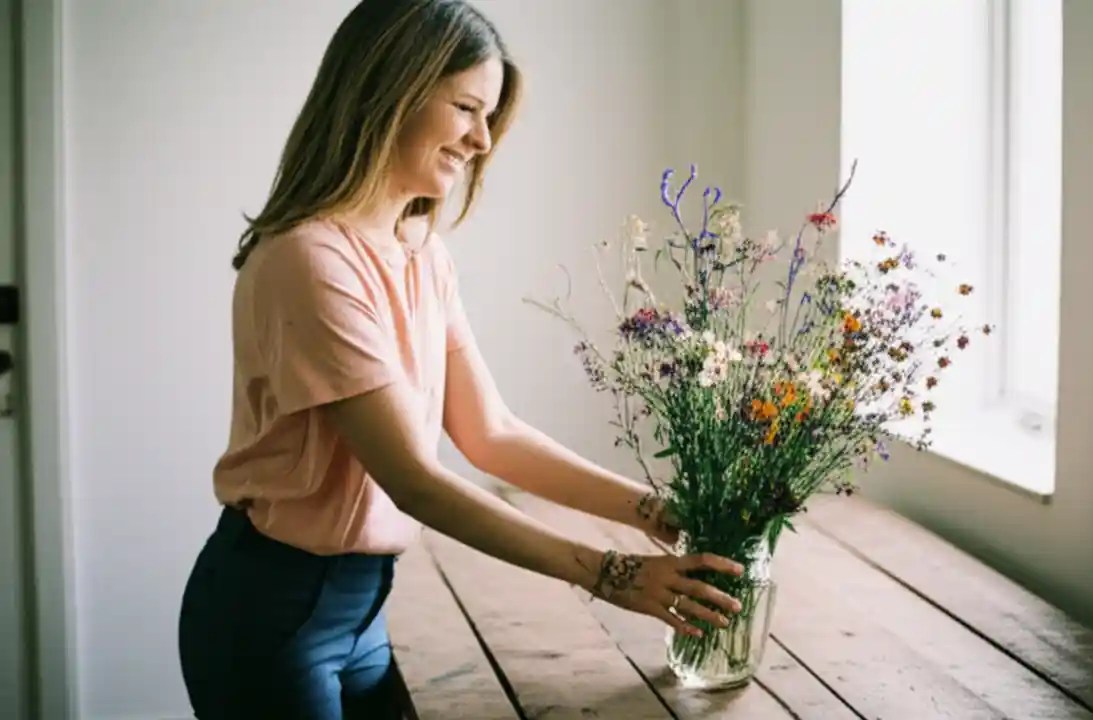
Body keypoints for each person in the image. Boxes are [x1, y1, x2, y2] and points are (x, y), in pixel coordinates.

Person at [175, 1, 745, 718]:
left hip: (360, 613)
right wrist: (613, 574)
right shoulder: (310, 261)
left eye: (489, 117)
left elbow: (491, 433)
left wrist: (656, 511)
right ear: (393, 91)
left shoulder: (421, 254)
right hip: (270, 613)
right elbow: (414, 481)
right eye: (467, 109)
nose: (481, 140)